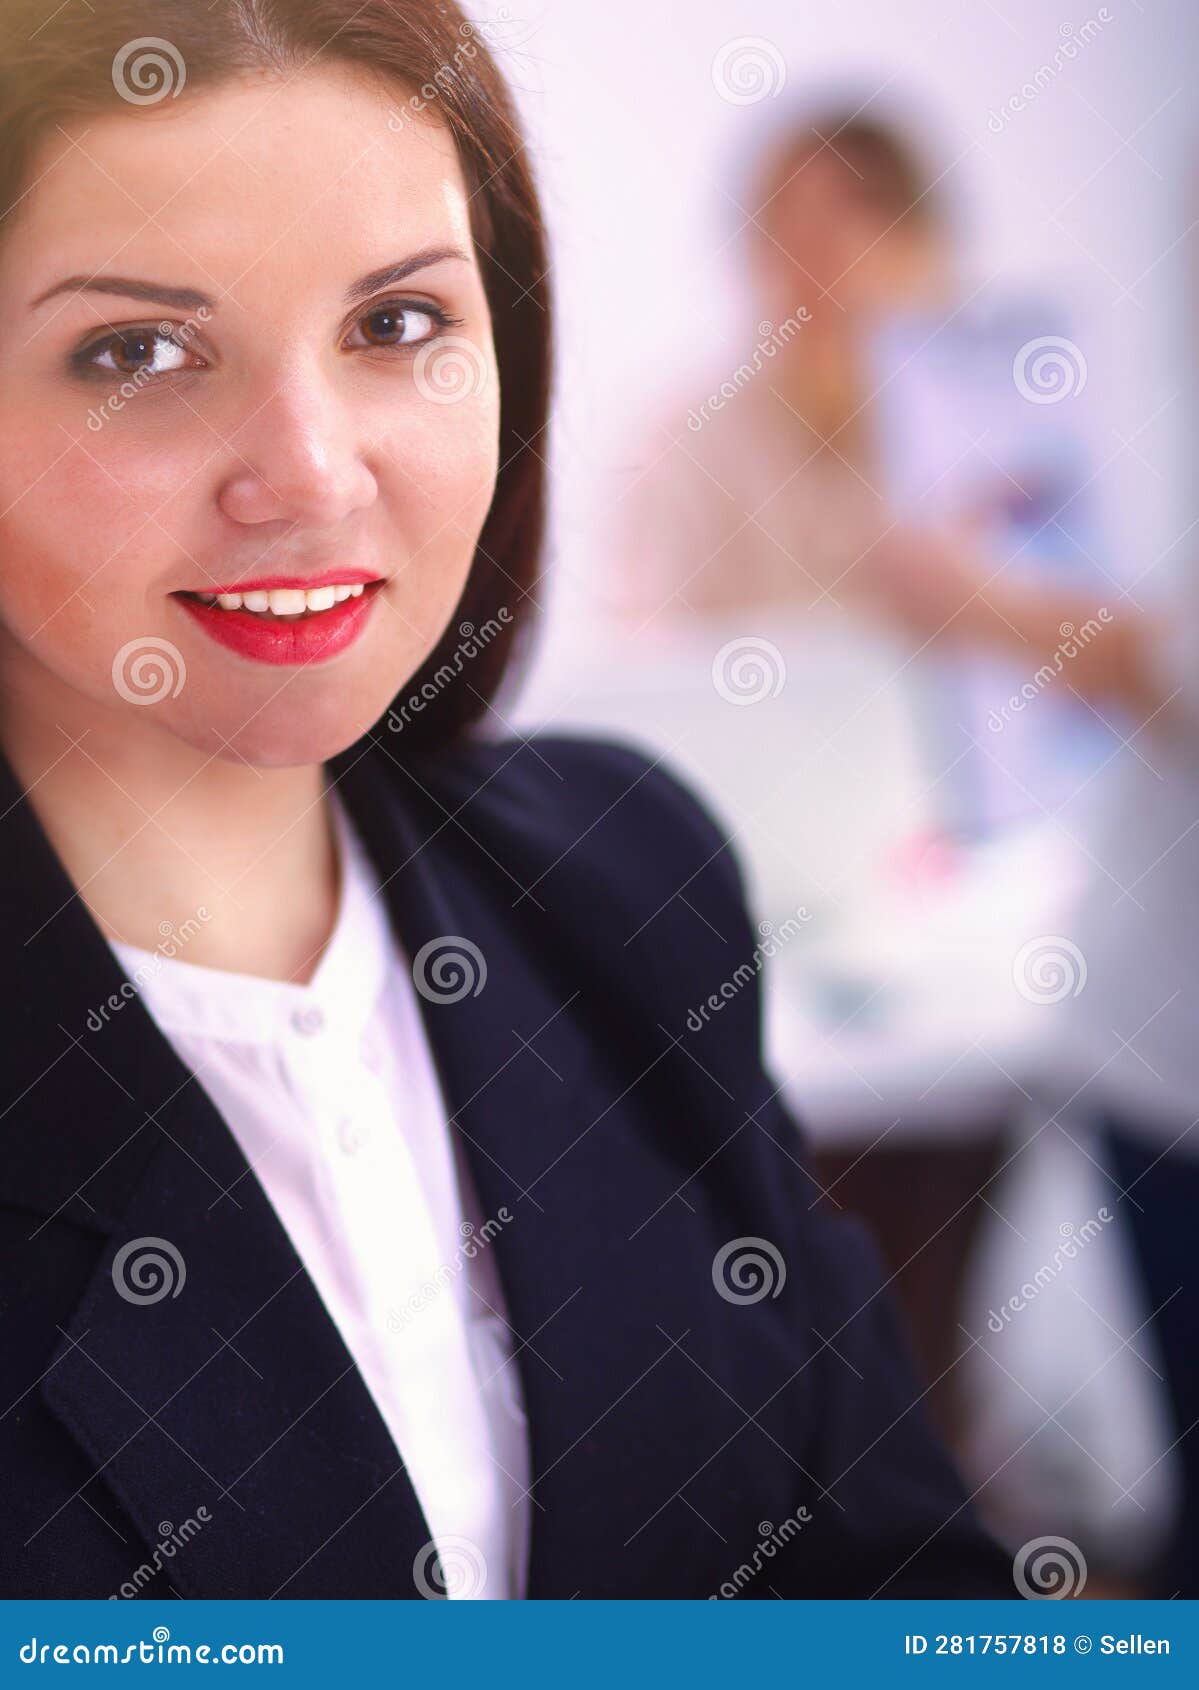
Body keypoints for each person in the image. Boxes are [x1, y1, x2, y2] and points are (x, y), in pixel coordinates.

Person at [0, 0, 1012, 1600]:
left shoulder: (627, 885)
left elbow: (900, 1583)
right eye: (139, 352)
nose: (311, 472)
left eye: (396, 322)